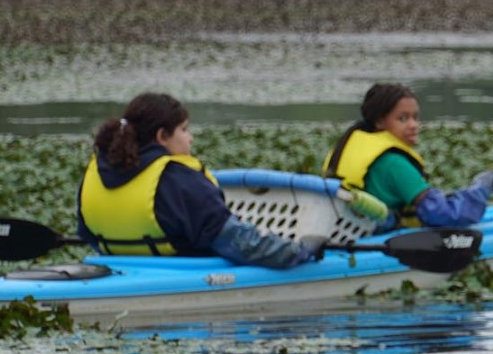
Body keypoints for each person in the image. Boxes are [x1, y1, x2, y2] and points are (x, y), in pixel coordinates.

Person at [77, 92, 323, 268]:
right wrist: (300, 252)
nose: (190, 139)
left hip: (120, 269)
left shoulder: (97, 173)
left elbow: (87, 235)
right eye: (184, 130)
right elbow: (242, 244)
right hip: (181, 275)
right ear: (162, 136)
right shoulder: (178, 179)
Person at [323, 83, 493, 231]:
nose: (413, 125)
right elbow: (443, 215)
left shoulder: (349, 147)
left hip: (344, 230)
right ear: (379, 122)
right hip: (375, 237)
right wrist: (480, 191)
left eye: (415, 117)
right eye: (403, 118)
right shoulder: (394, 164)